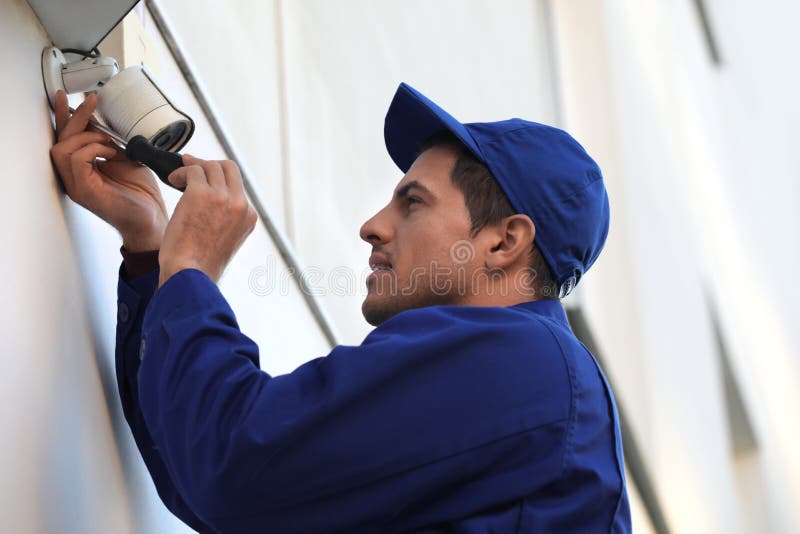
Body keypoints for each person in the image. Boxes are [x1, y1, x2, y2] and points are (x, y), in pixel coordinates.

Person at [51, 83, 631, 533]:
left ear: (504, 242)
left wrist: (192, 272)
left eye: (413, 202)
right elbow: (207, 477)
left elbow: (236, 471)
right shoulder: (528, 378)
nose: (372, 226)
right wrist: (156, 257)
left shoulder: (523, 362)